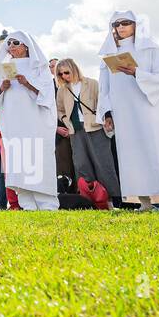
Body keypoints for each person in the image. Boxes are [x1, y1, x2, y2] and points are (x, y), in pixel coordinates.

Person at [97, 11, 159, 210]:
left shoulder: (151, 48)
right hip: (123, 111)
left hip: (149, 108)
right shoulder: (108, 54)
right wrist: (107, 112)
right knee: (132, 153)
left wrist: (137, 73)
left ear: (135, 24)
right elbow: (104, 86)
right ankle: (145, 202)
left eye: (125, 23)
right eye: (116, 24)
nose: (120, 27)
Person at [0, 30, 57, 210]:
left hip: (36, 121)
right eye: (9, 44)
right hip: (13, 122)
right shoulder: (2, 69)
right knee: (19, 158)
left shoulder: (39, 66)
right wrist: (2, 87)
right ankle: (26, 202)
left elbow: (48, 96)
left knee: (37, 157)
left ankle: (47, 203)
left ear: (26, 46)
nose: (11, 47)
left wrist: (27, 83)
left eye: (16, 43)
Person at [54, 58, 117, 210]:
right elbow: (59, 109)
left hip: (95, 127)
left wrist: (106, 119)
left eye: (66, 72)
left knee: (103, 163)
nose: (64, 76)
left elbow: (102, 103)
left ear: (74, 69)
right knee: (82, 165)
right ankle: (89, 202)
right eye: (60, 74)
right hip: (76, 131)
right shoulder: (62, 90)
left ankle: (109, 201)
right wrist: (66, 121)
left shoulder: (92, 83)